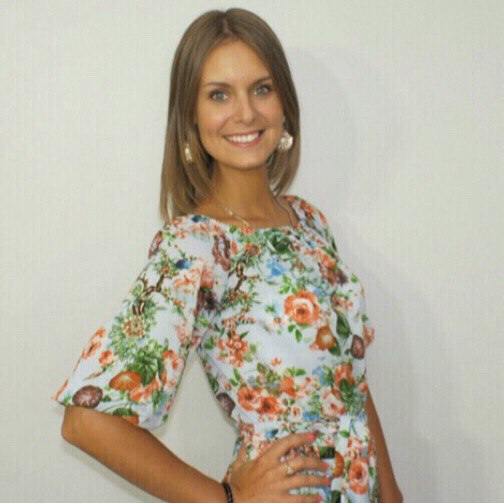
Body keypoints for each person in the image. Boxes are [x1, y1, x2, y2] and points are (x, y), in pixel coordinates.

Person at [51, 8, 402, 503]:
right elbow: (86, 421)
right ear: (191, 118)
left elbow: (350, 383)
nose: (246, 113)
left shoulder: (309, 222)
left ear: (284, 103)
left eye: (261, 89)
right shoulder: (193, 246)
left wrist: (392, 494)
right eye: (219, 94)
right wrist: (227, 499)